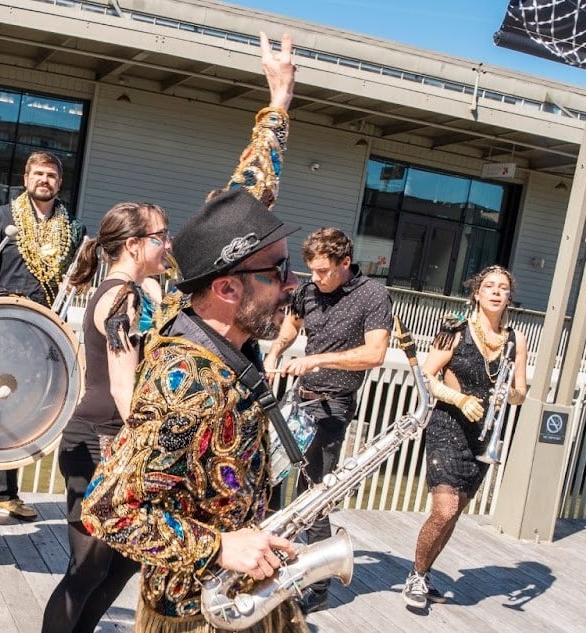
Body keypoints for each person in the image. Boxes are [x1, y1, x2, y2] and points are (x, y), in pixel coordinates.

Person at [82, 32, 308, 633]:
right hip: (200, 614)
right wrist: (219, 548)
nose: (292, 283)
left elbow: (249, 192)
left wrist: (279, 99)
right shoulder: (186, 384)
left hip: (252, 595)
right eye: (280, 271)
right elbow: (106, 508)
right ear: (229, 289)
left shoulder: (207, 286)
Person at [41, 202, 168, 633]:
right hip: (102, 440)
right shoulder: (120, 296)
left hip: (108, 437)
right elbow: (121, 383)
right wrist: (145, 446)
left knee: (126, 559)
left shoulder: (132, 291)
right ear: (133, 245)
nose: (168, 244)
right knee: (89, 567)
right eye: (160, 237)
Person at [263, 227, 392, 613]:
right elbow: (293, 323)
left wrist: (317, 360)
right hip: (296, 400)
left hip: (333, 406)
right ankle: (267, 568)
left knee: (313, 495)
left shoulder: (373, 295)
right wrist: (276, 352)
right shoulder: (308, 291)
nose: (316, 279)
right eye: (312, 271)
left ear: (345, 263)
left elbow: (375, 353)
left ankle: (317, 588)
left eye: (323, 271)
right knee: (267, 480)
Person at [0, 150, 86, 529]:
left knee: (25, 412)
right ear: (26, 178)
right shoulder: (3, 217)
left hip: (43, 334)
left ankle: (6, 494)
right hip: (2, 328)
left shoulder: (72, 227)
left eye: (51, 175)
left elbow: (75, 272)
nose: (44, 180)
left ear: (59, 183)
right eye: (38, 174)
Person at [401, 266, 528, 610]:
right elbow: (425, 375)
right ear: (477, 293)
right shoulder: (455, 329)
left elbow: (520, 389)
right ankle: (414, 576)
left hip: (484, 435)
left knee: (455, 512)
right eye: (489, 286)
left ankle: (425, 574)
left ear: (508, 297)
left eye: (503, 287)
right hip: (447, 425)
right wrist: (458, 398)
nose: (496, 292)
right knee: (443, 509)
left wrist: (512, 396)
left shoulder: (516, 340)